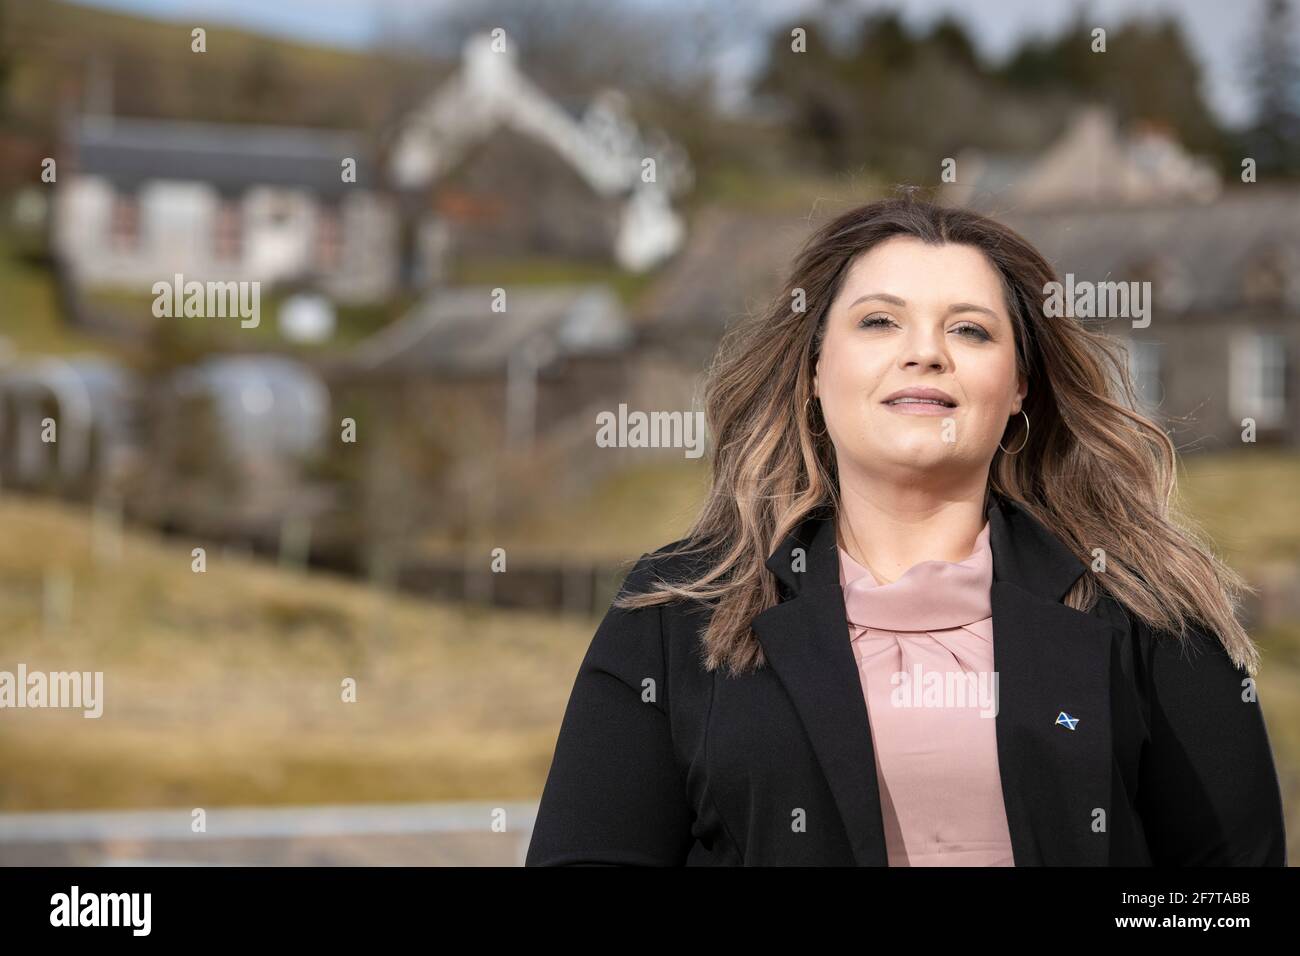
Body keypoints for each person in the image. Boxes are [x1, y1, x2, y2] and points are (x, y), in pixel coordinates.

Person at [525, 192, 1287, 866]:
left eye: (971, 331)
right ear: (816, 367)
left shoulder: (1149, 610)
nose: (925, 353)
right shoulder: (676, 607)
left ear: (1020, 385)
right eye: (881, 321)